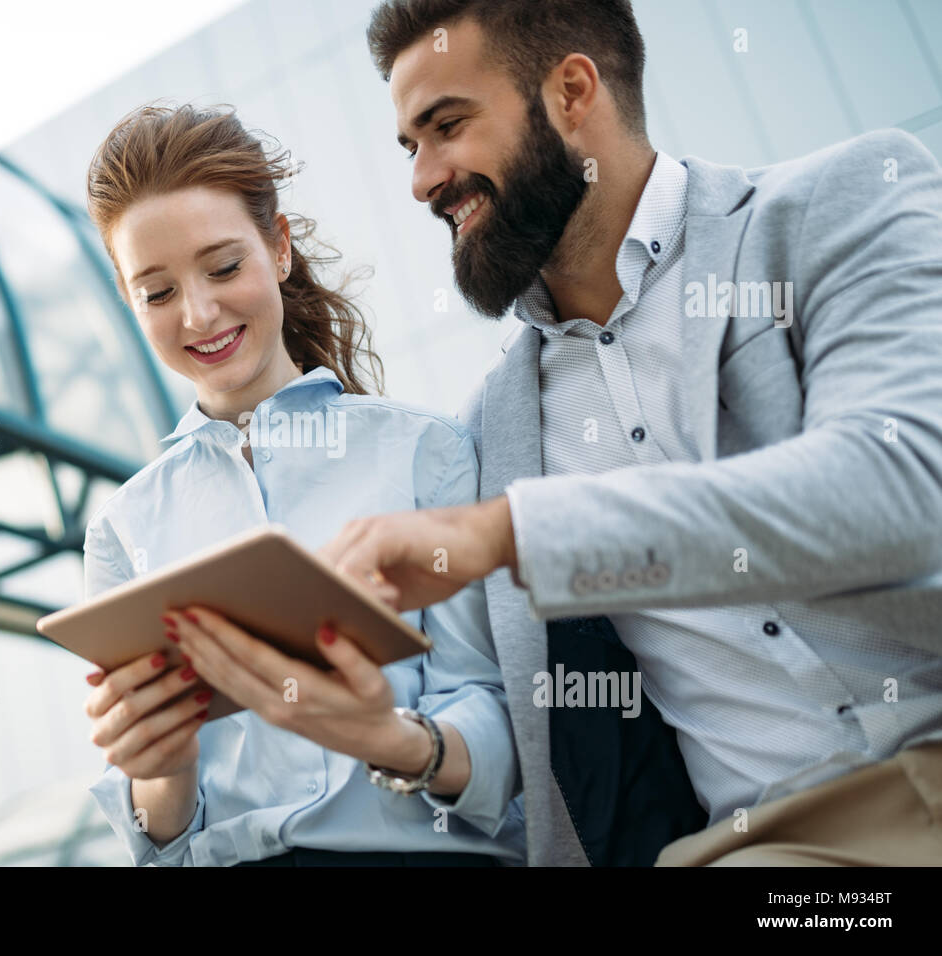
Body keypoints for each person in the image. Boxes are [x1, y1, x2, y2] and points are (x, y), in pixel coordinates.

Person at [318, 0, 942, 866]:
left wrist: (510, 533)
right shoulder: (492, 436)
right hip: (769, 851)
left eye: (446, 126)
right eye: (409, 146)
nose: (422, 179)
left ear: (574, 91)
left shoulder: (837, 204)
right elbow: (496, 711)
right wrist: (380, 724)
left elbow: (900, 487)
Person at [78, 103, 525, 866]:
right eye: (156, 293)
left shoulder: (427, 451)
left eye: (223, 267)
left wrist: (390, 740)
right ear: (130, 303)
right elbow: (165, 841)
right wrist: (164, 770)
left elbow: (499, 724)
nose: (200, 312)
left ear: (278, 248)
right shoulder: (125, 528)